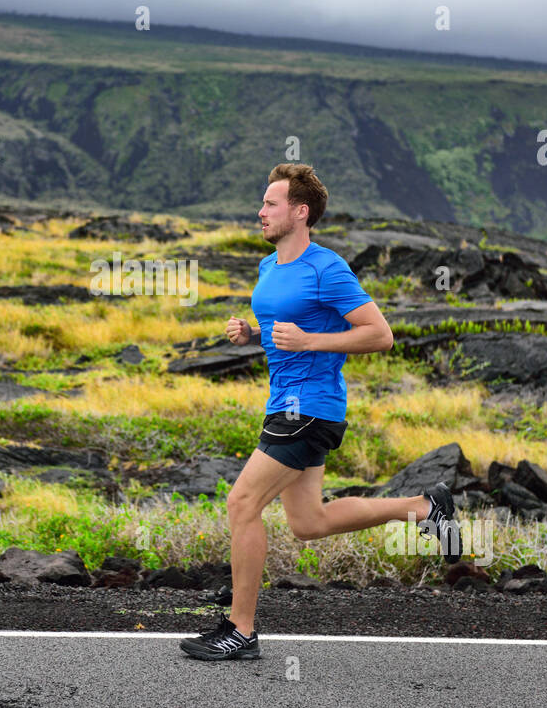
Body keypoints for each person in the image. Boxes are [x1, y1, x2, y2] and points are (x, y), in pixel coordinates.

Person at [180, 163, 460, 661]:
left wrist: (313, 340)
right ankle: (424, 507)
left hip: (310, 408)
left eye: (270, 203)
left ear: (299, 211)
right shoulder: (270, 267)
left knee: (242, 504)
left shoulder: (326, 268)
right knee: (308, 522)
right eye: (263, 203)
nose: (260, 211)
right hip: (283, 404)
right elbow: (282, 327)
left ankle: (240, 631)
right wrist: (251, 334)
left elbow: (380, 334)